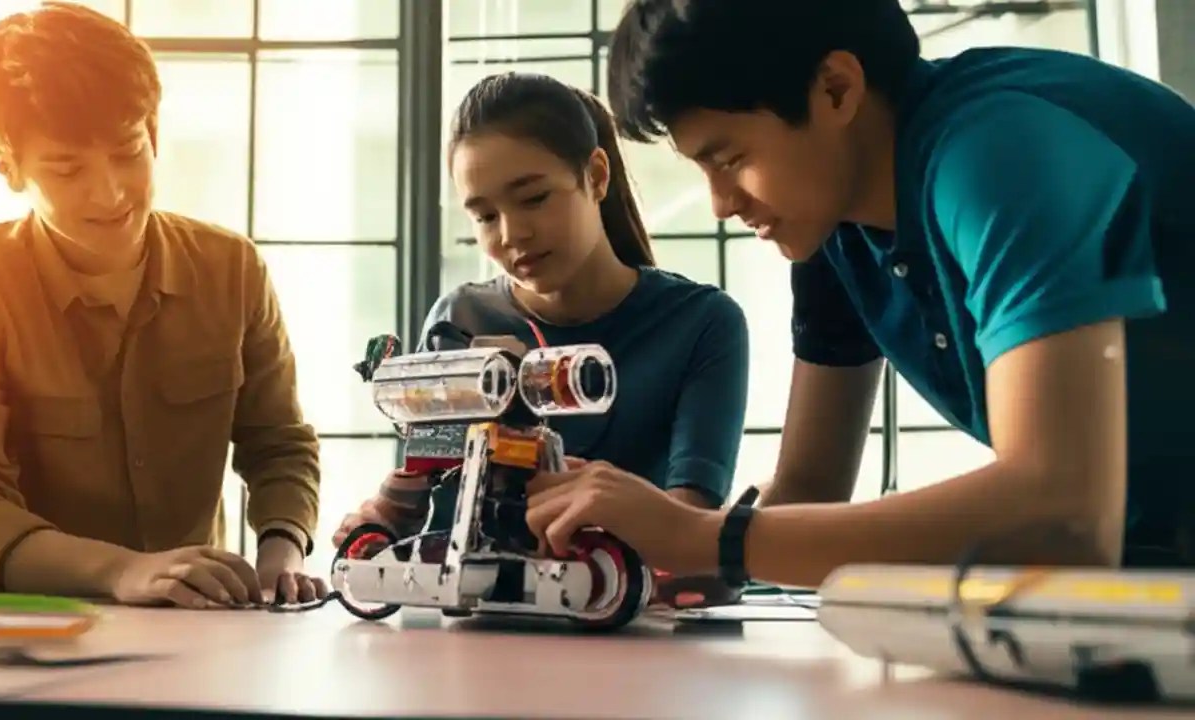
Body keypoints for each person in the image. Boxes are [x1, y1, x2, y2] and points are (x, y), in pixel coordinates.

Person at [525, 0, 1195, 587]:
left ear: (837, 89)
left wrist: (706, 541)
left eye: (729, 159)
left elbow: (1063, 516)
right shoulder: (836, 228)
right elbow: (810, 489)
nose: (722, 204)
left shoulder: (998, 153)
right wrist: (645, 549)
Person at [0, 3, 326, 606]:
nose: (108, 193)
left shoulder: (231, 269)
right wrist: (120, 571)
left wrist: (279, 554)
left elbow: (281, 444)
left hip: (187, 625)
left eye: (128, 152)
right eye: (66, 169)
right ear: (8, 168)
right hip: (5, 628)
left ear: (153, 134)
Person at [334, 72, 750, 603]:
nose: (512, 235)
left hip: (636, 635)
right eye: (485, 215)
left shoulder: (702, 323)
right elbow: (433, 489)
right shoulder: (457, 321)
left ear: (596, 176)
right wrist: (386, 521)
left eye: (533, 198)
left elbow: (690, 524)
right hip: (473, 635)